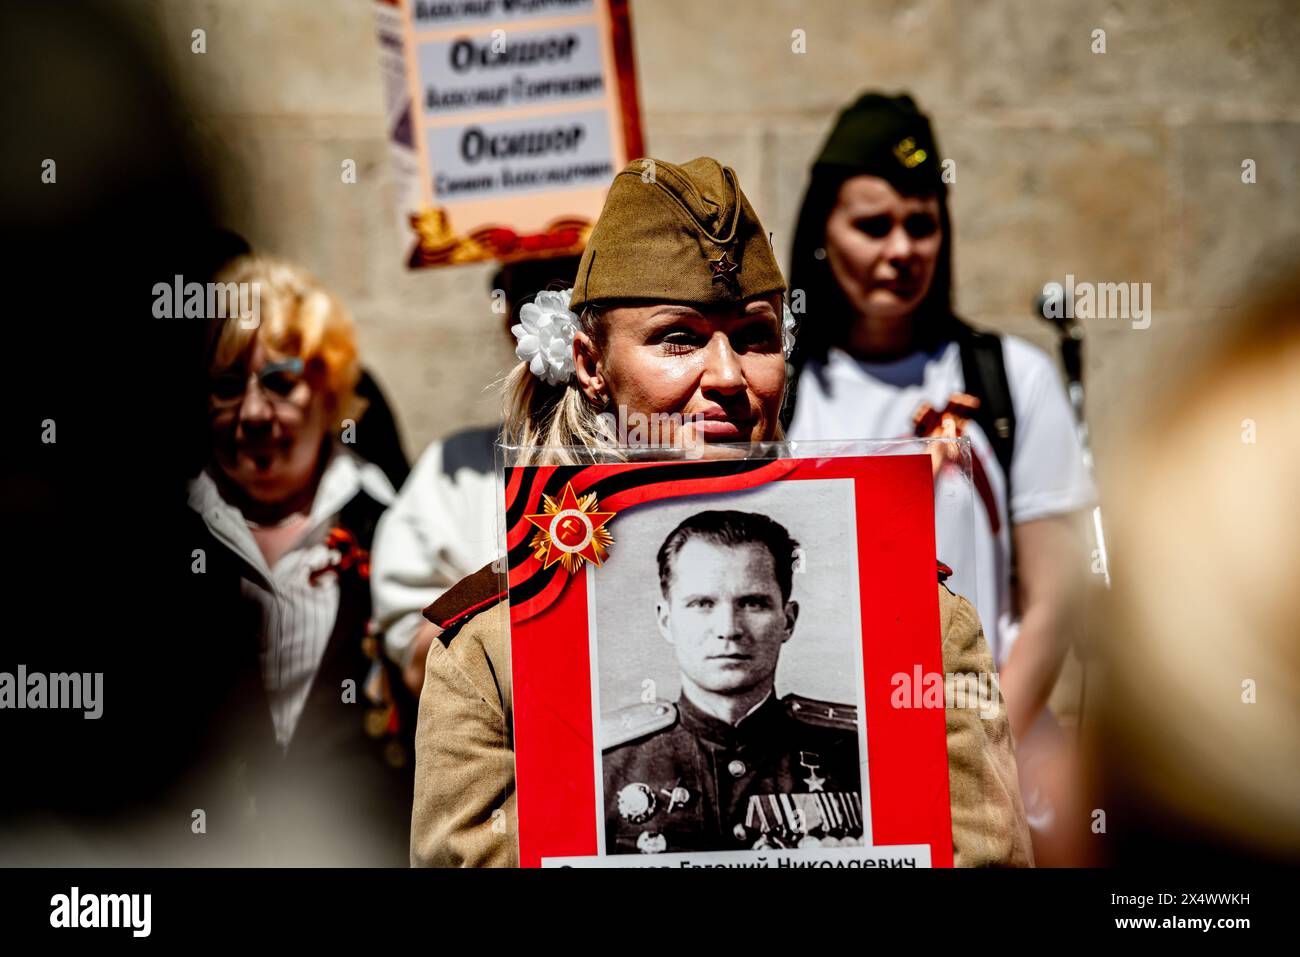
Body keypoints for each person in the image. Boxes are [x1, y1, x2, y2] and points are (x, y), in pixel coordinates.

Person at [410, 156, 1031, 867]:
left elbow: (990, 856)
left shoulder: (923, 618)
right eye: (679, 338)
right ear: (589, 362)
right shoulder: (491, 648)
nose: (729, 376)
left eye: (753, 336)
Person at [784, 93, 1095, 750]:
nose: (902, 249)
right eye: (873, 225)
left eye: (921, 225)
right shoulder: (780, 388)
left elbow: (1053, 598)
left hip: (993, 757)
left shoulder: (1012, 378)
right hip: (836, 760)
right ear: (822, 233)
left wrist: (979, 750)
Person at [187, 254, 414, 864]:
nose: (255, 414)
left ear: (326, 387)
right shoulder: (160, 532)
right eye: (228, 387)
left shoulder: (398, 521)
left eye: (280, 383)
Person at [371, 257, 580, 696]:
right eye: (529, 294)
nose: (560, 307)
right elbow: (420, 666)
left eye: (579, 281)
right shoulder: (452, 470)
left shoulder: (676, 447)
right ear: (508, 316)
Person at [603, 510, 862, 855]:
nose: (729, 628)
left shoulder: (857, 755)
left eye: (753, 603)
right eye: (702, 604)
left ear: (788, 621)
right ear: (666, 621)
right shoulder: (606, 765)